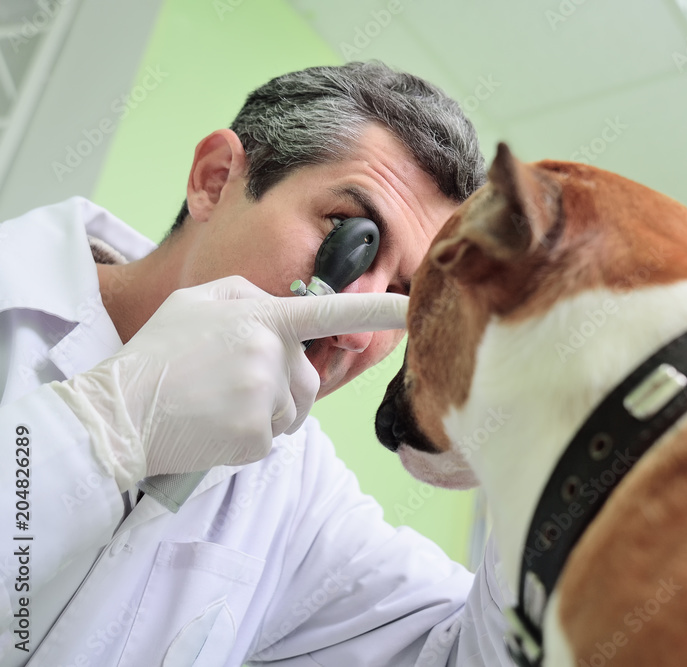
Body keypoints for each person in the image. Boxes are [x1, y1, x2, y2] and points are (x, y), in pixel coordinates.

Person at [0, 61, 516, 666]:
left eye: (405, 294)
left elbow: (467, 655)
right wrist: (108, 426)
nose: (354, 326)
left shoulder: (294, 489)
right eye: (353, 235)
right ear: (215, 181)